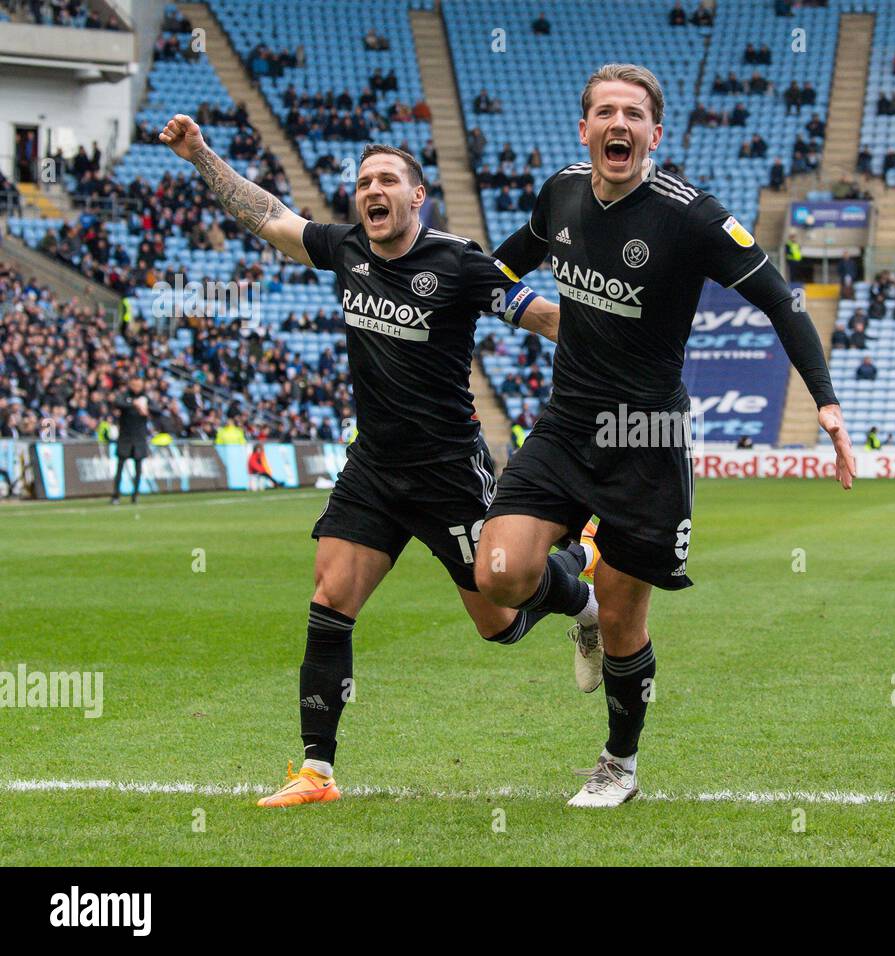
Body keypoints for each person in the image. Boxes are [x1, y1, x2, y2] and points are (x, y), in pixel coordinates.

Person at [159, 116, 596, 809]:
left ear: (417, 196)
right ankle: (316, 772)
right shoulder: (345, 248)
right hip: (373, 468)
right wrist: (199, 156)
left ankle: (583, 595)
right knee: (330, 598)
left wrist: (634, 348)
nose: (372, 190)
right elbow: (269, 217)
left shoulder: (459, 262)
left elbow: (544, 317)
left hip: (448, 471)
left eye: (387, 180)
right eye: (363, 182)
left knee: (500, 622)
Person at [480, 63, 855, 807]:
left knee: (626, 614)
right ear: (583, 127)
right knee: (498, 574)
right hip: (565, 424)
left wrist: (827, 402)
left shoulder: (692, 215)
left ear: (656, 132)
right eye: (605, 112)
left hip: (648, 435)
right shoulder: (557, 193)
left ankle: (618, 763)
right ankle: (574, 609)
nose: (618, 125)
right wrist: (520, 305)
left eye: (634, 115)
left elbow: (782, 302)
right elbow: (495, 268)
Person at [110, 377, 150, 505]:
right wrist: (134, 404)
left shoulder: (146, 398)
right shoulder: (125, 396)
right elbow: (117, 403)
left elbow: (157, 409)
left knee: (138, 468)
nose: (137, 387)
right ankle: (116, 495)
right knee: (120, 467)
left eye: (139, 385)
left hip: (139, 438)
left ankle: (135, 494)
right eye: (134, 384)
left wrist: (146, 409)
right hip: (125, 437)